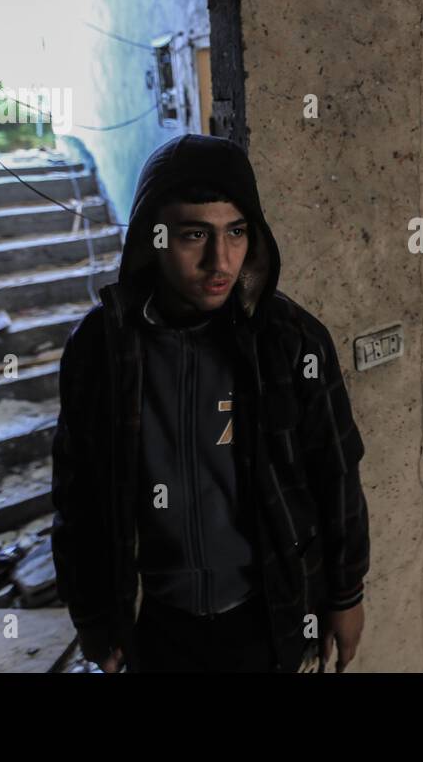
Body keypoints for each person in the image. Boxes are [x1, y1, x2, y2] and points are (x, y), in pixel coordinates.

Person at [50, 133, 370, 672]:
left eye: (237, 232)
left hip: (270, 615)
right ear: (152, 237)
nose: (219, 260)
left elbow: (335, 473)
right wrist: (93, 616)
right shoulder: (100, 350)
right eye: (194, 235)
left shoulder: (291, 342)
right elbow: (77, 495)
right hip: (156, 626)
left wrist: (345, 594)